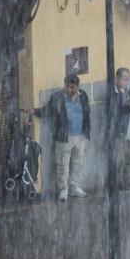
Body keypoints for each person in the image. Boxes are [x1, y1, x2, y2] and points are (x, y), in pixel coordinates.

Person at [32, 73, 91, 202]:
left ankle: (74, 186)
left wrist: (87, 131)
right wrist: (34, 111)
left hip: (80, 137)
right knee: (62, 165)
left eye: (72, 87)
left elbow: (87, 113)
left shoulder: (83, 96)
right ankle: (63, 190)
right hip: (64, 137)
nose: (69, 90)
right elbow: (47, 110)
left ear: (77, 86)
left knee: (77, 164)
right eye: (67, 87)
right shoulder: (58, 98)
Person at [111, 67, 130, 186]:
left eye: (128, 80)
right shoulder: (112, 93)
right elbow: (112, 112)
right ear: (117, 79)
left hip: (128, 130)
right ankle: (117, 182)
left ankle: (126, 180)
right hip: (117, 131)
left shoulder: (128, 90)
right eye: (125, 79)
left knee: (128, 157)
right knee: (118, 159)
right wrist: (126, 106)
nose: (126, 82)